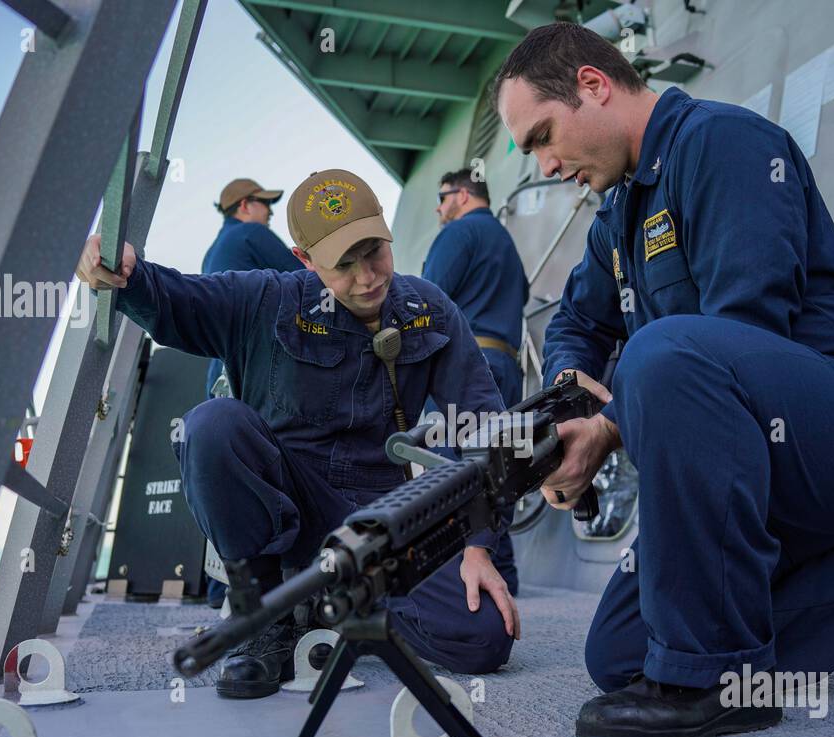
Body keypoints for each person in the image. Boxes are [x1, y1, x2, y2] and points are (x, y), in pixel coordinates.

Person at [494, 23, 834, 737]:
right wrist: (567, 408)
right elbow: (578, 322)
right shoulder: (617, 213)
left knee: (659, 350)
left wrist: (607, 434)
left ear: (592, 85)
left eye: (543, 136)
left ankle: (717, 681)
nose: (546, 165)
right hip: (741, 454)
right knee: (620, 650)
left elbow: (743, 332)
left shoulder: (725, 144)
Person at [77, 169, 520, 700]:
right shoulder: (264, 299)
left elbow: (485, 428)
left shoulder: (429, 311)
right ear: (305, 259)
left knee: (484, 640)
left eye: (374, 250)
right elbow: (177, 301)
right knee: (211, 425)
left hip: (382, 524)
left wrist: (477, 546)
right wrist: (123, 271)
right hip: (288, 517)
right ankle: (262, 615)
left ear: (386, 228)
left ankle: (339, 598)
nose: (367, 278)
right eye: (344, 264)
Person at [200, 178, 305, 608]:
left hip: (220, 373)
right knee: (265, 475)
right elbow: (311, 279)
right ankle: (274, 594)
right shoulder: (252, 234)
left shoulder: (216, 248)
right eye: (265, 204)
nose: (270, 213)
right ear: (245, 205)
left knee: (226, 481)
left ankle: (221, 590)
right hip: (252, 373)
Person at [423, 170, 529, 408]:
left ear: (462, 195)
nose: (438, 209)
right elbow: (523, 293)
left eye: (442, 199)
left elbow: (427, 302)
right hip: (508, 372)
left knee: (448, 445)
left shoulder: (458, 232)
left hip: (463, 367)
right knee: (500, 446)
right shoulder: (506, 242)